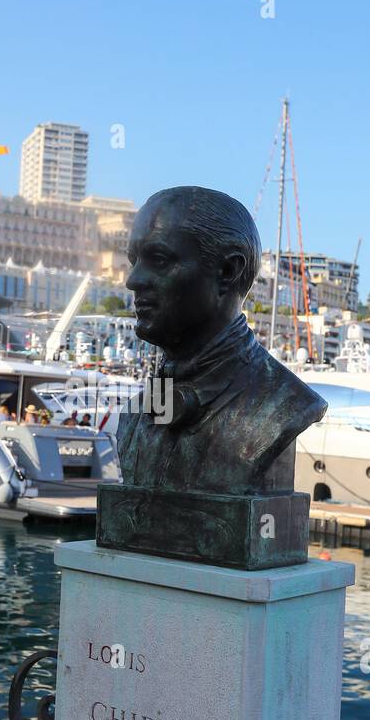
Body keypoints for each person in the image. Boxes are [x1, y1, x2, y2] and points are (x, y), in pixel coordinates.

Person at [119, 186, 326, 495]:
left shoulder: (285, 406)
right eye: (134, 260)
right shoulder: (135, 417)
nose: (133, 280)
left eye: (159, 260)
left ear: (228, 271)